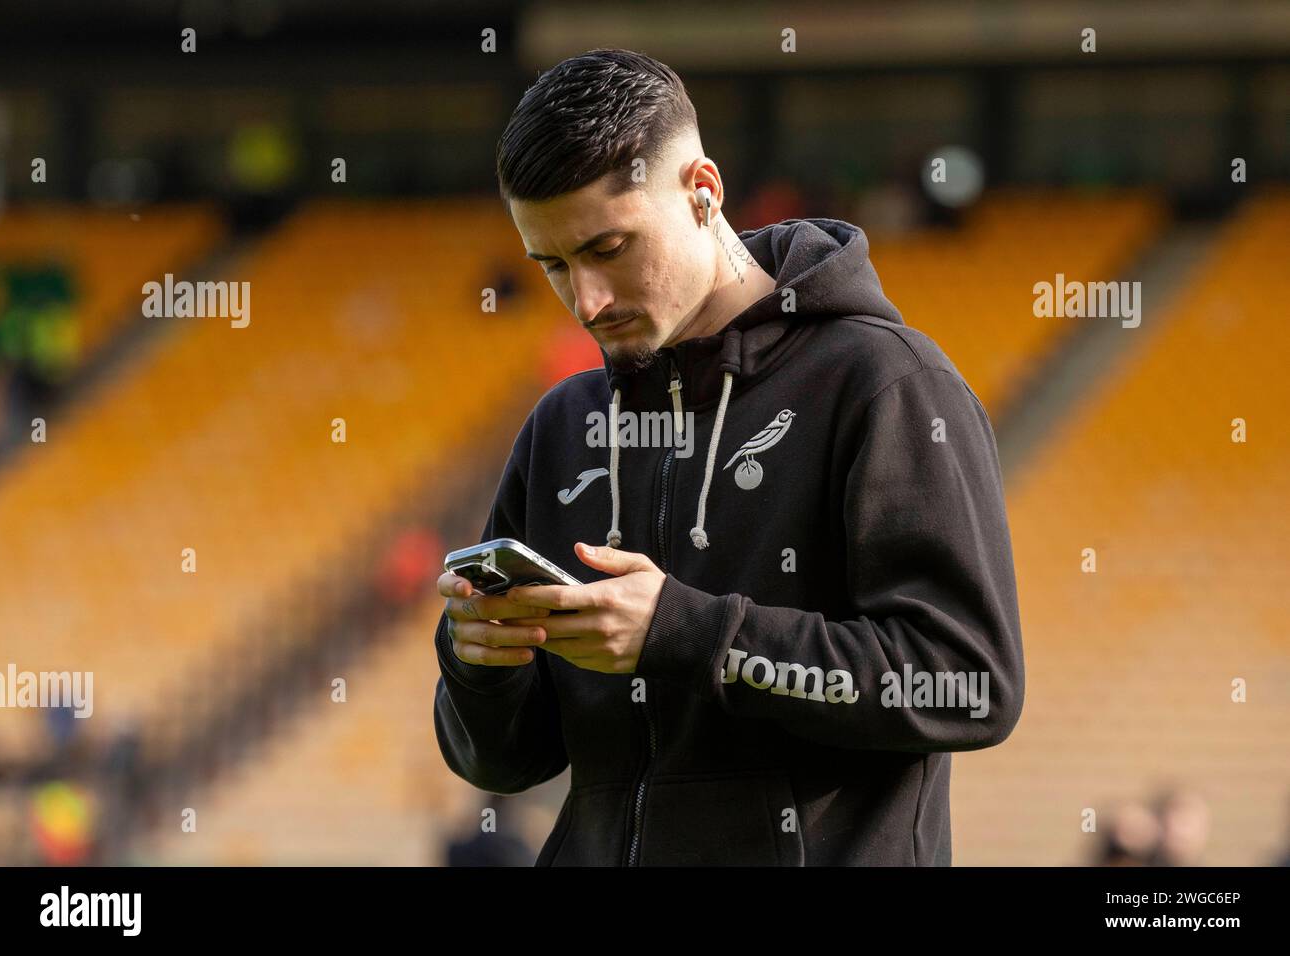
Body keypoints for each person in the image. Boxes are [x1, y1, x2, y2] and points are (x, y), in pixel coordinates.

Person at [433, 48, 1024, 866]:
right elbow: (504, 760)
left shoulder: (884, 384)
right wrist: (480, 662)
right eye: (555, 266)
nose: (587, 300)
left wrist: (688, 633)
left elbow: (967, 685)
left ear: (702, 193)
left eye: (608, 248)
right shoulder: (565, 425)